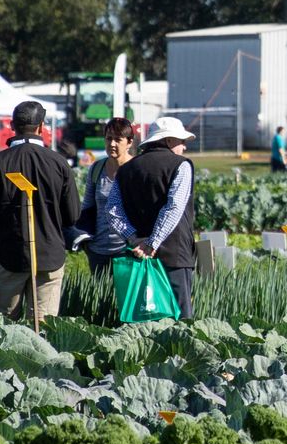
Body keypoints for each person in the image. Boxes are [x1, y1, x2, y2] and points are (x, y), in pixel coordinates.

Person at [0, 101, 81, 321]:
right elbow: (72, 216)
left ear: (13, 126)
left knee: (2, 326)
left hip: (9, 256)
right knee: (42, 327)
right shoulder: (59, 164)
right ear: (41, 127)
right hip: (50, 256)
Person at [116, 115, 200, 319]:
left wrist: (135, 238)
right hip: (174, 255)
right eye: (181, 142)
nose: (184, 148)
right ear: (169, 140)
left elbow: (112, 210)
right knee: (179, 320)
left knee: (143, 319)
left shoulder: (126, 169)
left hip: (137, 256)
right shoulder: (181, 165)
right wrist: (152, 243)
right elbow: (174, 206)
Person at [74, 117, 137, 275]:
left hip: (127, 249)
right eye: (109, 138)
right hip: (98, 250)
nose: (112, 144)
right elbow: (87, 205)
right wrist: (87, 242)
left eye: (118, 139)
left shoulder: (137, 169)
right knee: (100, 298)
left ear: (129, 142)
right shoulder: (97, 168)